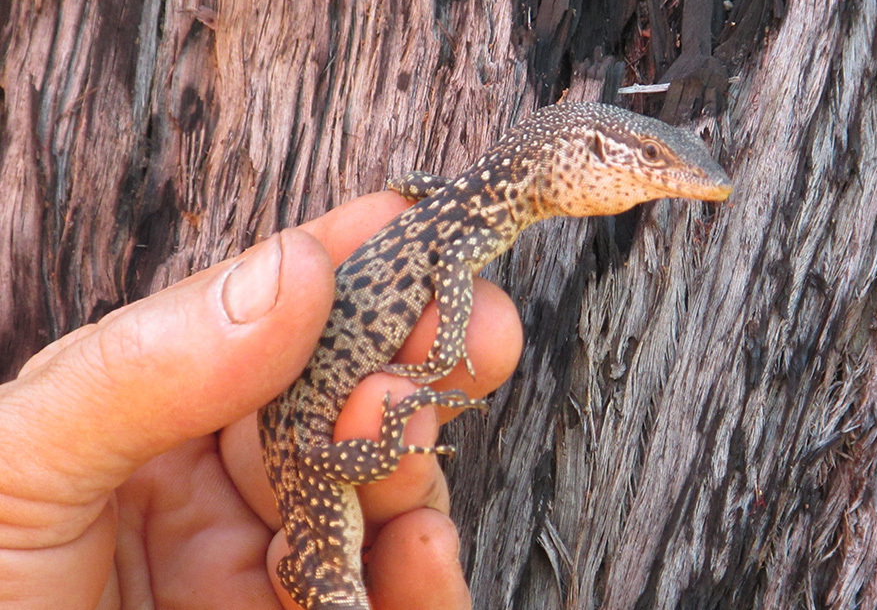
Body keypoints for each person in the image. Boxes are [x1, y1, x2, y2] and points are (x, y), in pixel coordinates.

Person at [0, 191, 523, 609]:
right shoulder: (307, 561)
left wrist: (391, 437)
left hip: (300, 434)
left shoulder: (318, 553)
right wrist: (390, 441)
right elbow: (323, 479)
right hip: (299, 440)